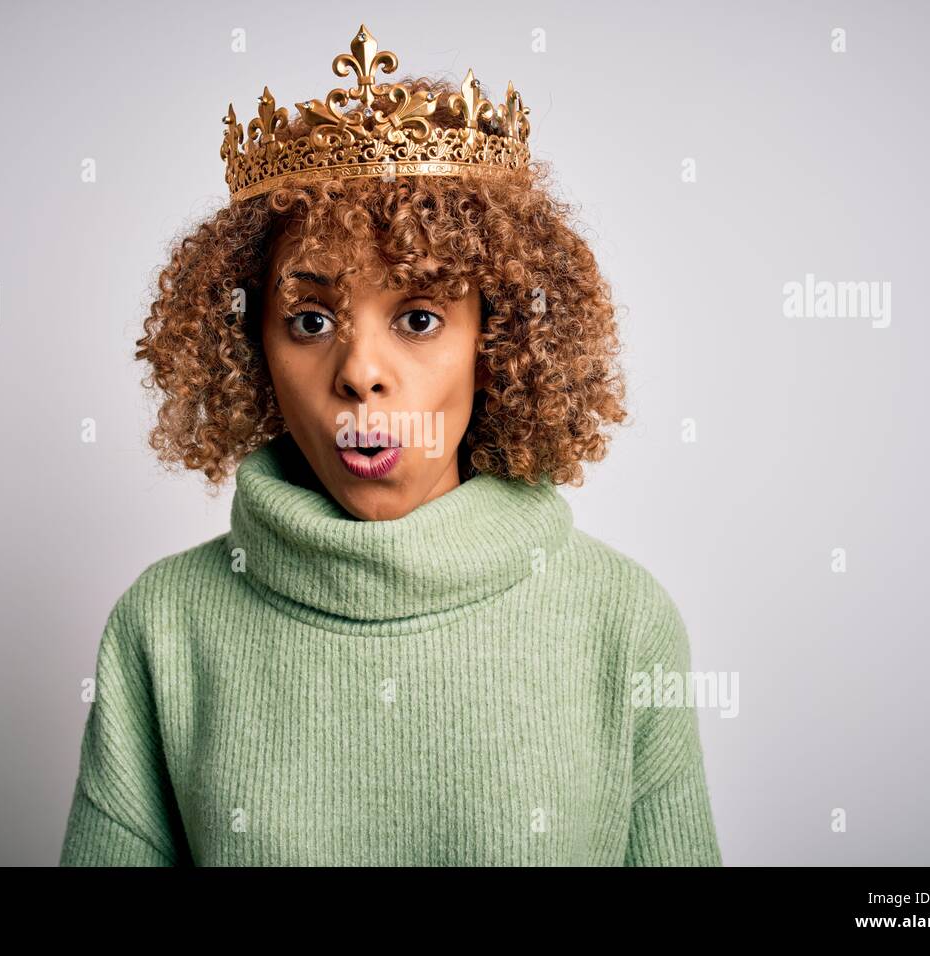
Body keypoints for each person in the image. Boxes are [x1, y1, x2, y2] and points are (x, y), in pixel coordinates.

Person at [59, 23, 721, 866]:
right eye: (310, 321)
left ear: (498, 340)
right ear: (250, 350)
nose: (360, 372)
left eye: (418, 318)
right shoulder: (163, 629)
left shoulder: (621, 620)